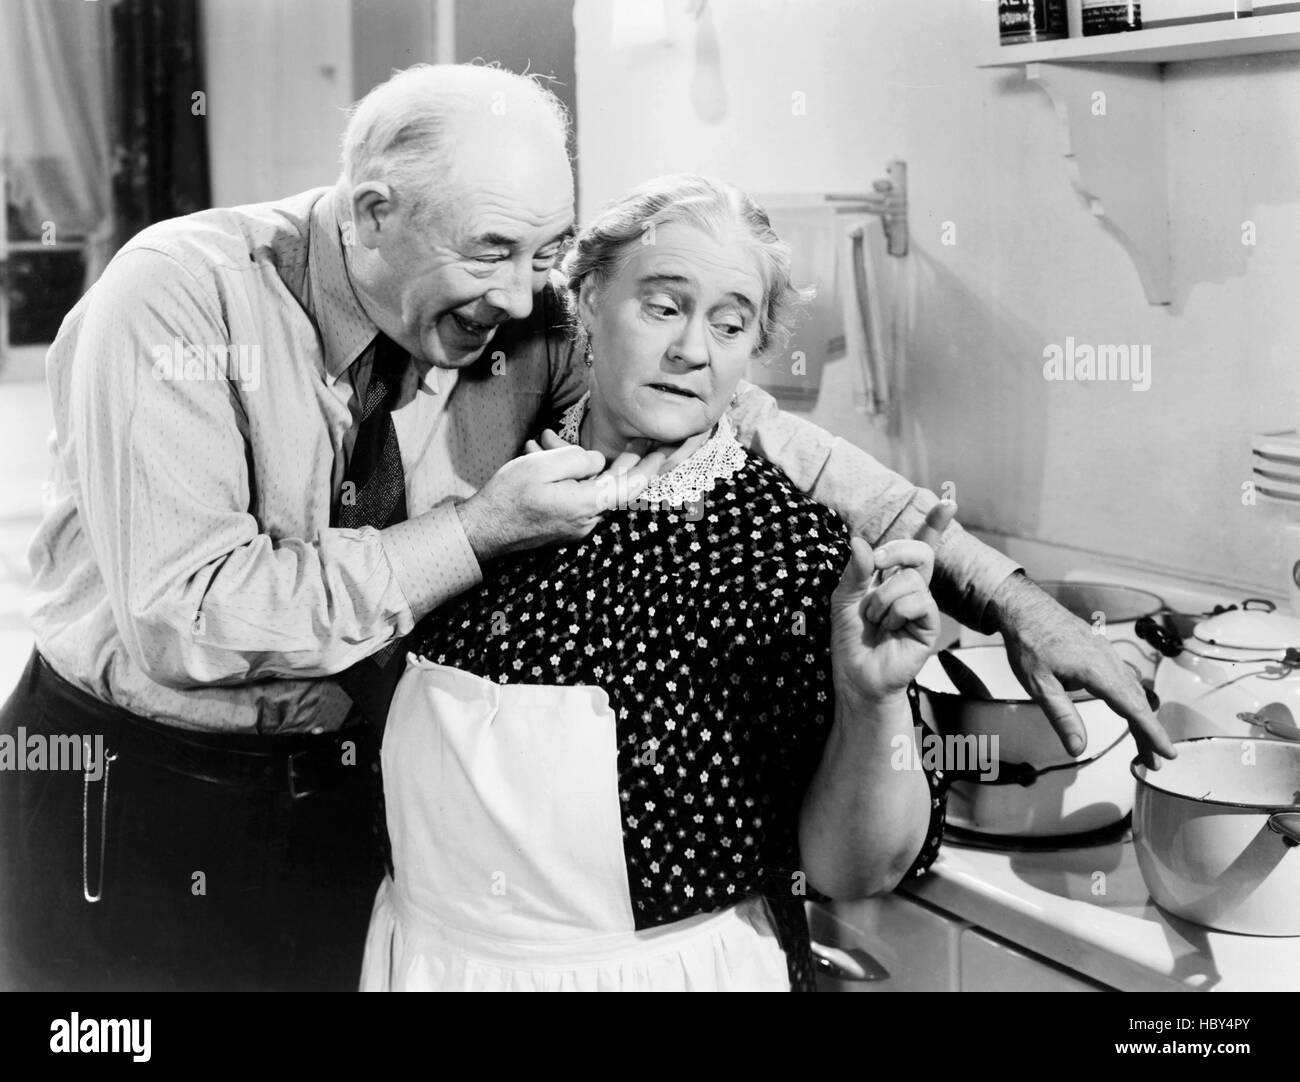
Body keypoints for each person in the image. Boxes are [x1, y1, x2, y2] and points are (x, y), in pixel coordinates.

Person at [0, 62, 1171, 993]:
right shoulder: (177, 300)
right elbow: (188, 617)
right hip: (144, 788)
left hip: (339, 801)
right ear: (370, 212)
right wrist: (472, 532)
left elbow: (765, 429)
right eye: (493, 253)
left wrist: (1005, 594)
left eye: (548, 253)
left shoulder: (516, 309)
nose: (523, 301)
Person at [360, 175, 947, 991]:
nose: (693, 351)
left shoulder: (798, 553)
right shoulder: (484, 496)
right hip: (425, 963)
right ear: (589, 300)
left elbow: (859, 871)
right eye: (664, 307)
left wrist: (872, 700)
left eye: (730, 324)